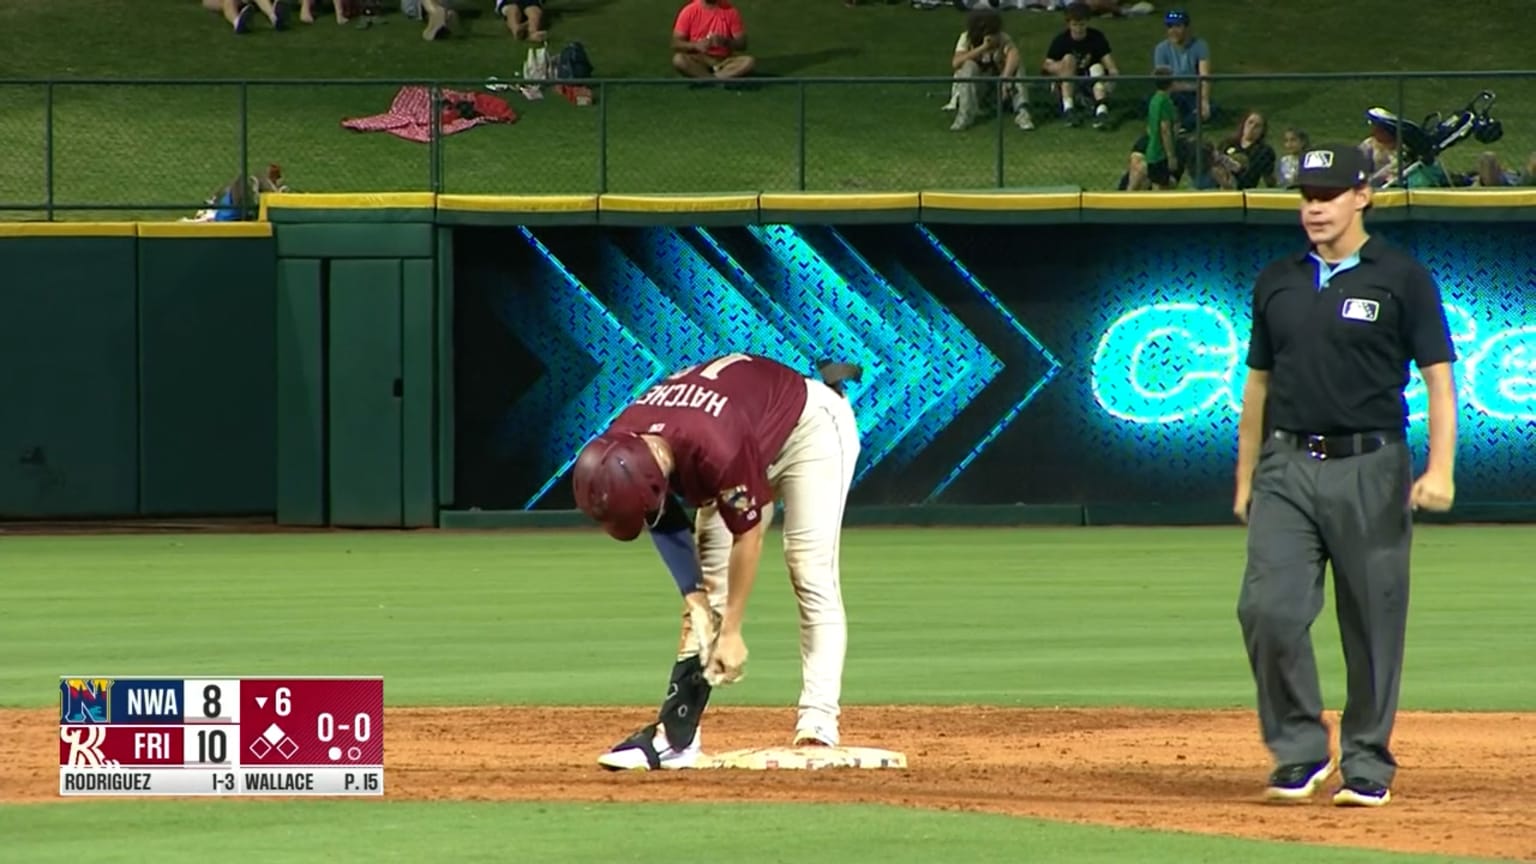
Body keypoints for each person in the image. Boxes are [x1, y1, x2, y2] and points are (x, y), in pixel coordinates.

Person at [1232, 144, 1458, 808]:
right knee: (1266, 609)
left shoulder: (1403, 279)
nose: (1314, 208)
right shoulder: (1277, 280)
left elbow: (1439, 381)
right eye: (1306, 196)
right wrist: (1246, 476)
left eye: (1327, 194)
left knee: (1372, 623)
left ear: (1363, 195)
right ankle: (1301, 751)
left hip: (1373, 466)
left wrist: (1439, 467)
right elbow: (1257, 384)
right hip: (1286, 464)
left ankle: (1366, 761)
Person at [571, 354, 863, 770]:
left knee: (808, 566)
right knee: (706, 598)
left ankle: (818, 722)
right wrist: (694, 597)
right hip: (745, 442)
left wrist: (733, 631)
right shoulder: (625, 444)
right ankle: (676, 737)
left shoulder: (714, 447)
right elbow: (659, 512)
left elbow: (749, 533)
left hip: (810, 432)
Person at [1041, 2, 1119, 129]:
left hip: (1091, 81)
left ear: (1087, 22)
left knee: (1097, 68)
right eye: (1075, 25)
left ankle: (1101, 111)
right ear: (1069, 24)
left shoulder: (1096, 37)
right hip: (1068, 82)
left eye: (1081, 24)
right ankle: (1069, 110)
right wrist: (1063, 67)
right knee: (1069, 59)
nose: (1078, 29)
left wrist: (1112, 78)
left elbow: (1109, 63)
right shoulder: (1061, 40)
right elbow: (1047, 64)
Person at [671, 0, 755, 81]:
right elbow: (676, 43)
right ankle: (717, 78)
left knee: (748, 62)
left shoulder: (730, 11)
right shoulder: (689, 11)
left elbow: (742, 43)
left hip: (724, 61)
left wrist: (725, 41)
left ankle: (707, 78)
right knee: (679, 59)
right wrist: (696, 46)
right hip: (699, 59)